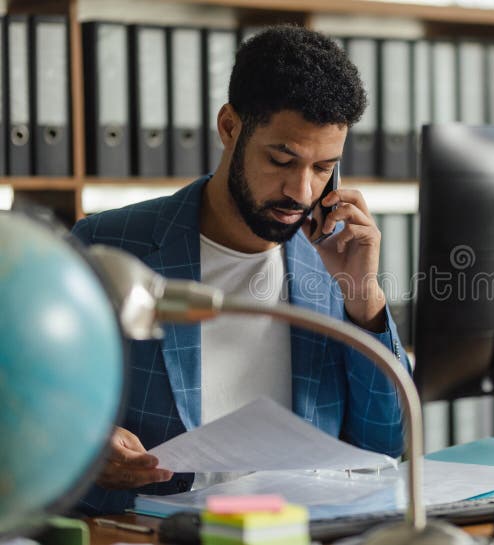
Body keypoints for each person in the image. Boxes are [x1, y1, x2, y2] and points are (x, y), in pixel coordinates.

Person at [72, 25, 410, 515]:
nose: (301, 191)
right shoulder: (106, 247)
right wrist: (84, 441)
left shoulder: (335, 265)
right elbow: (29, 405)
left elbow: (387, 441)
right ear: (230, 127)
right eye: (281, 159)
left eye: (322, 168)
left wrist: (363, 295)